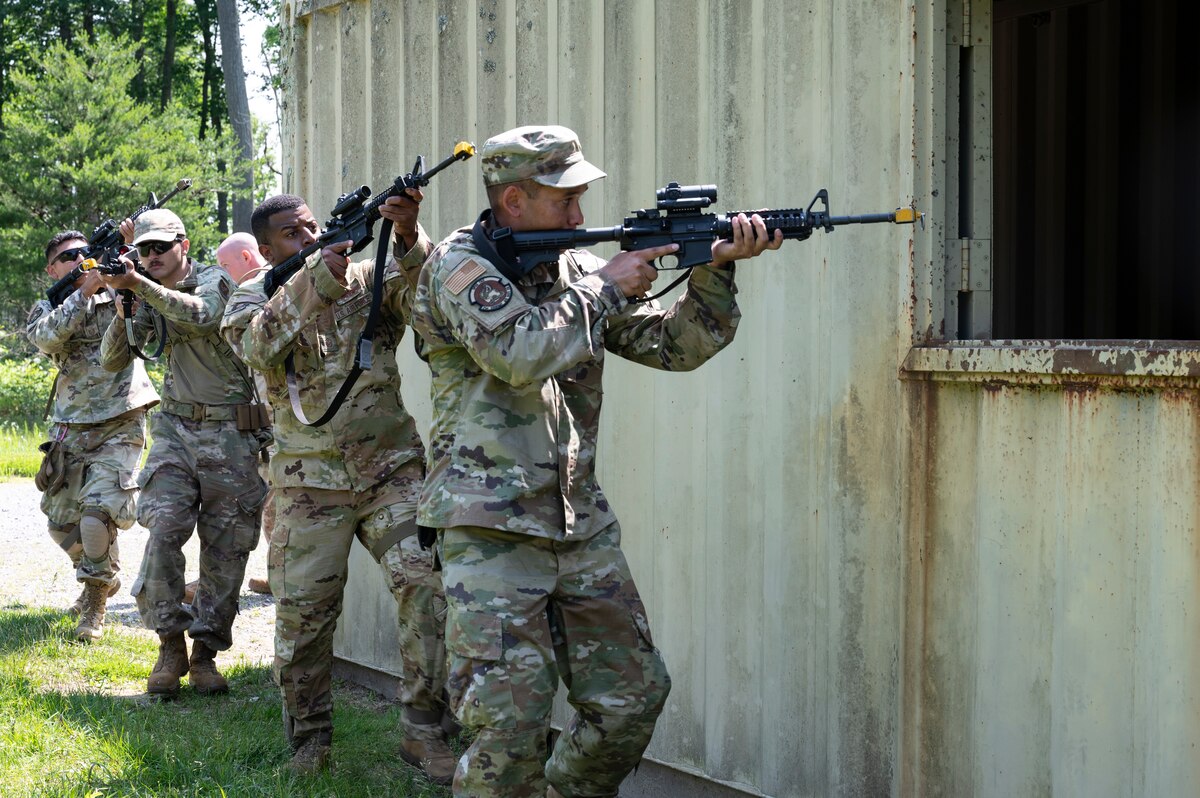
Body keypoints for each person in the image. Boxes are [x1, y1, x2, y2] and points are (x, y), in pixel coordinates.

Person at [409, 124, 784, 798]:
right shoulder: (458, 268)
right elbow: (520, 353)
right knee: (507, 733)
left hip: (578, 525)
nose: (580, 217)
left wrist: (713, 268)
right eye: (565, 200)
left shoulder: (578, 270)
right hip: (489, 533)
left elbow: (676, 346)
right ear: (514, 200)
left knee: (631, 701)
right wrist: (606, 287)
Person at [220, 192, 454, 779]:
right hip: (308, 487)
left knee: (427, 588)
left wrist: (409, 235)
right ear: (266, 249)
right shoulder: (252, 295)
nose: (307, 238)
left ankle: (424, 731)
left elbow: (428, 301)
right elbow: (256, 346)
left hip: (389, 473)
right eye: (291, 234)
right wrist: (315, 279)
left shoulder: (365, 278)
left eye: (310, 227)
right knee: (304, 617)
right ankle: (310, 740)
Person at [98, 209, 270, 698]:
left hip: (232, 433)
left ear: (184, 246)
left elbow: (201, 316)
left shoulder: (216, 281)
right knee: (163, 531)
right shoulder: (145, 290)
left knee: (226, 548)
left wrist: (139, 284)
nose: (153, 255)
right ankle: (169, 644)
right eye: (145, 249)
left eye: (161, 247)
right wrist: (124, 303)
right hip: (175, 430)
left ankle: (205, 654)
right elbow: (113, 359)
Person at [25, 231, 160, 641]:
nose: (80, 259)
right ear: (53, 269)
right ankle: (102, 573)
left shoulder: (118, 290)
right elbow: (45, 337)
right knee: (61, 524)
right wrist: (84, 291)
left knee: (97, 513)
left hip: (121, 420)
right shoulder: (49, 306)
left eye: (86, 252)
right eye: (69, 256)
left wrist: (129, 255)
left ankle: (95, 600)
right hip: (71, 426)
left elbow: (149, 312)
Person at [213, 231, 273, 597]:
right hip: (263, 413)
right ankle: (277, 571)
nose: (224, 272)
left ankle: (281, 574)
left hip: (277, 412)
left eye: (226, 265)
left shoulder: (258, 288)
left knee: (274, 496)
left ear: (248, 258)